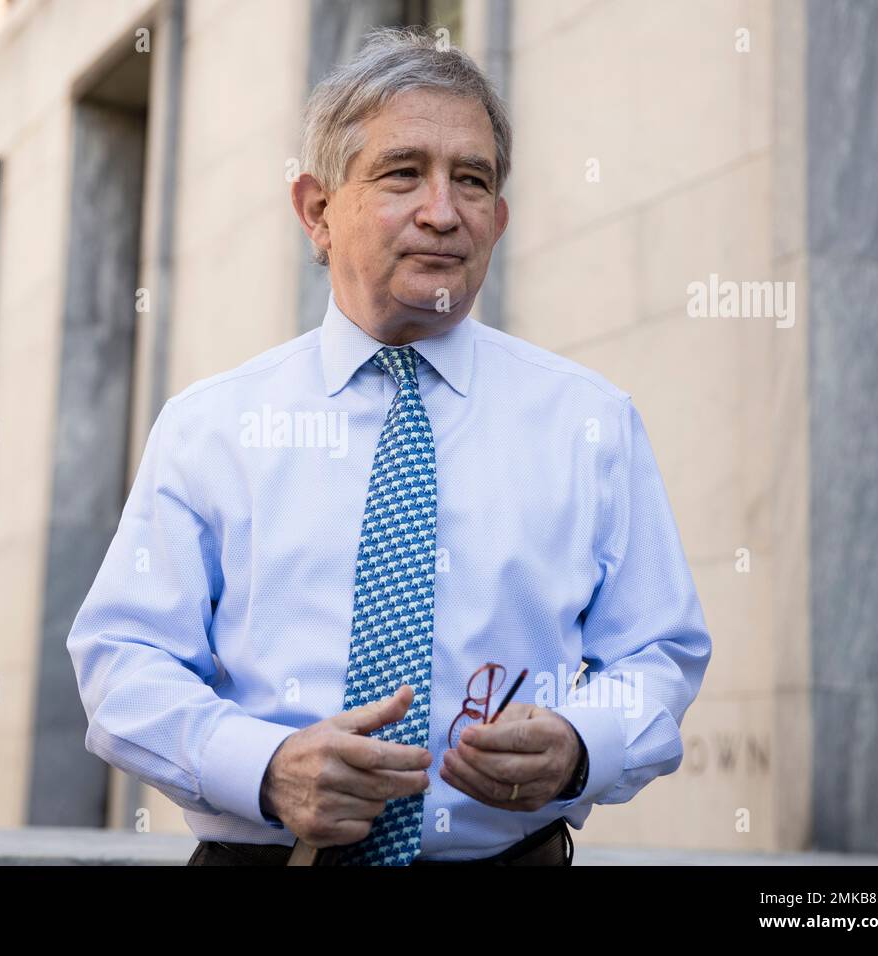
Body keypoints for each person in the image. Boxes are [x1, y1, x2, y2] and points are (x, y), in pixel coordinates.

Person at [66, 26, 711, 866]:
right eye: (403, 173)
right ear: (317, 210)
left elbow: (659, 651)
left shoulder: (591, 422)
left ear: (500, 219)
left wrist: (581, 744)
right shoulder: (212, 425)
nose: (442, 212)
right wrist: (263, 768)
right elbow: (123, 662)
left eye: (472, 181)